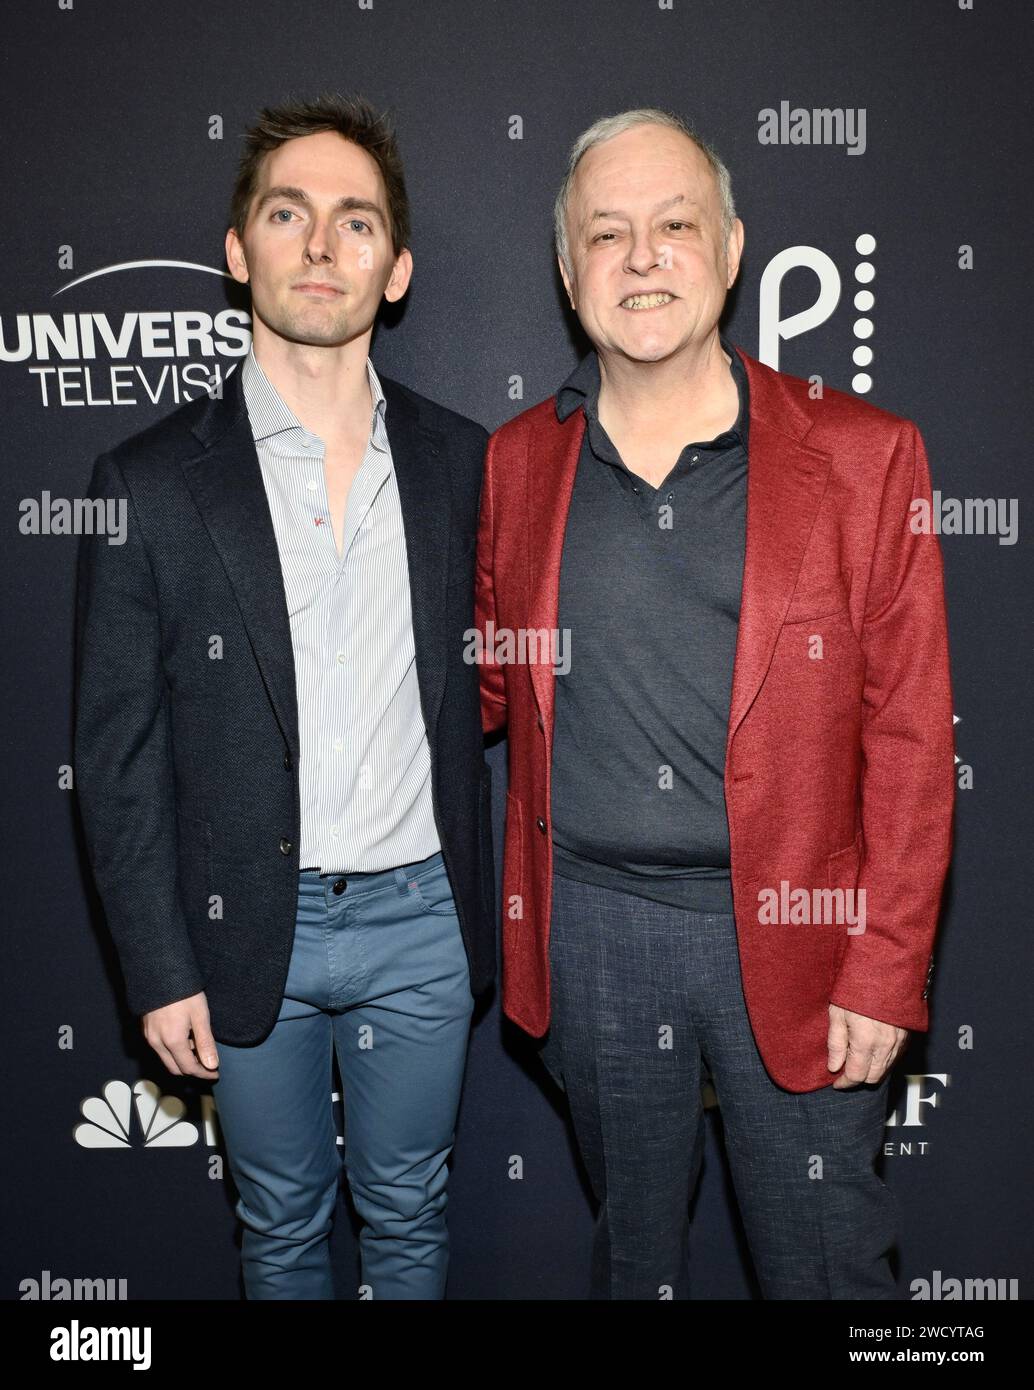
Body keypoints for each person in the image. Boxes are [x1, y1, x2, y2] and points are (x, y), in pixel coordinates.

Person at [474, 107, 955, 1299]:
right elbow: (482, 684)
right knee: (634, 1260)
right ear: (565, 267)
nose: (641, 258)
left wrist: (885, 969)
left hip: (798, 936)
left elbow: (908, 734)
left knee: (828, 1270)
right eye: (606, 233)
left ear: (732, 250)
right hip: (591, 938)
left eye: (674, 225)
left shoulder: (862, 455)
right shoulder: (515, 462)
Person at [74, 93, 495, 1300]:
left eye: (355, 222)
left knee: (411, 1217)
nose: (320, 244)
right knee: (281, 1229)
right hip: (243, 925)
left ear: (396, 267)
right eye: (288, 212)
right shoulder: (146, 481)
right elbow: (116, 754)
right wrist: (157, 965)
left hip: (425, 918)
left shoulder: (468, 463)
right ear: (238, 250)